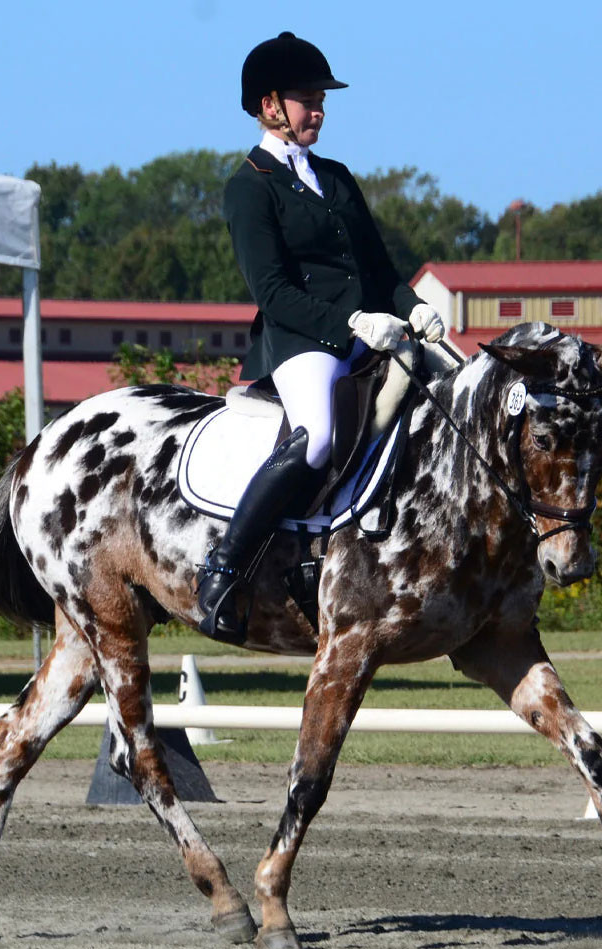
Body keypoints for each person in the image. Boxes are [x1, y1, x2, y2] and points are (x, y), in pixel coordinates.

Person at [196, 30, 446, 643]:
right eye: (308, 100)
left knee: (448, 403)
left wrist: (415, 308)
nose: (319, 110)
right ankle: (225, 568)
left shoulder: (336, 178)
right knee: (319, 437)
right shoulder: (249, 186)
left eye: (321, 100)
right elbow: (272, 292)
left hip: (374, 332)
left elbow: (380, 272)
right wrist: (351, 323)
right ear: (269, 106)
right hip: (301, 341)